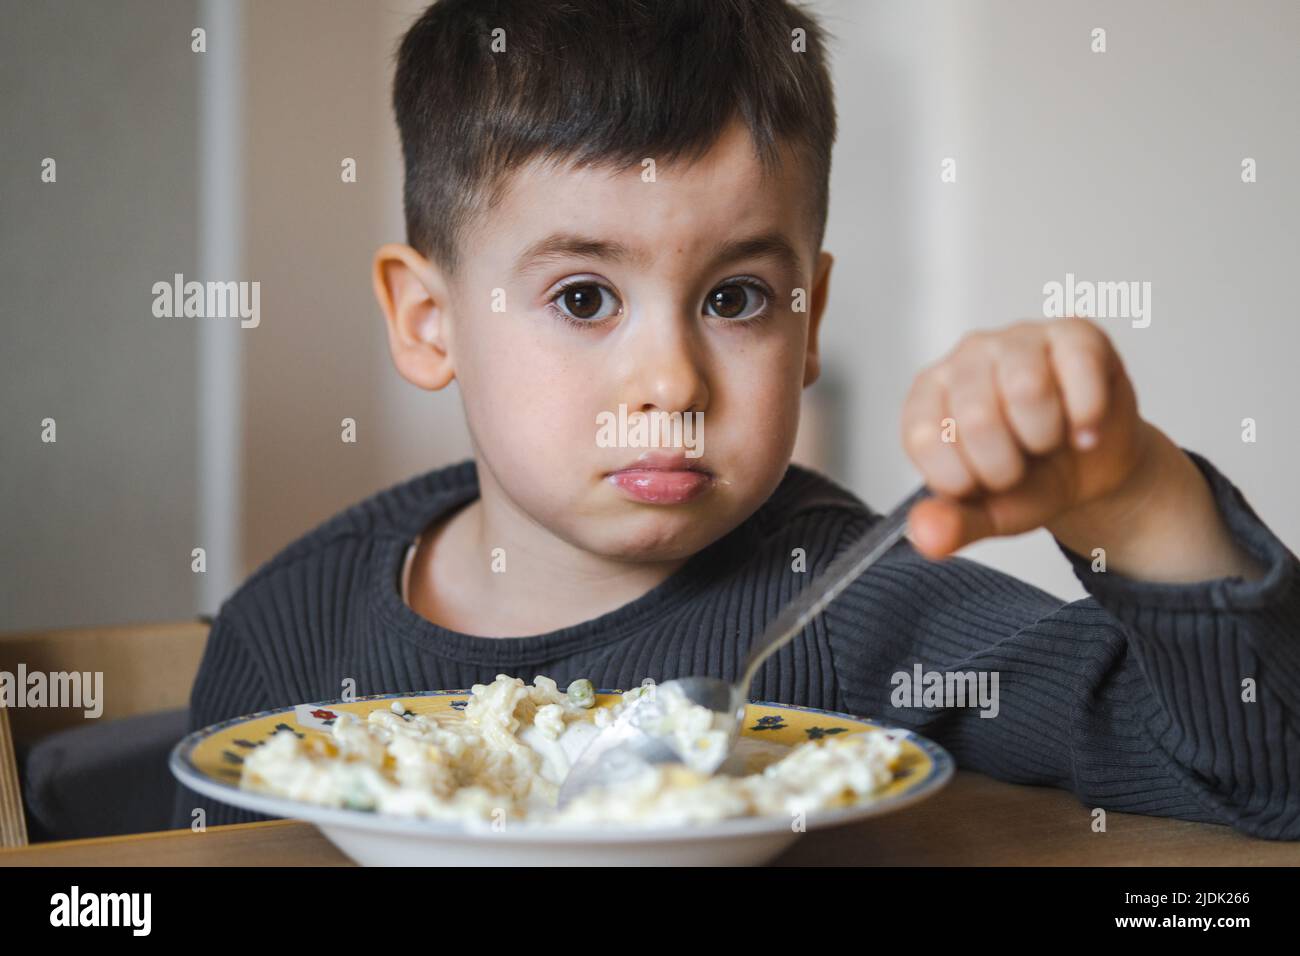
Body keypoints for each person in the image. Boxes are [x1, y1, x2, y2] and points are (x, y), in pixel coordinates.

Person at [172, 0, 1299, 840]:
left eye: (735, 298)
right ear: (429, 322)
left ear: (808, 321)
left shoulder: (861, 609)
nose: (672, 381)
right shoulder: (287, 634)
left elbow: (1261, 774)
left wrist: (1137, 497)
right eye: (582, 297)